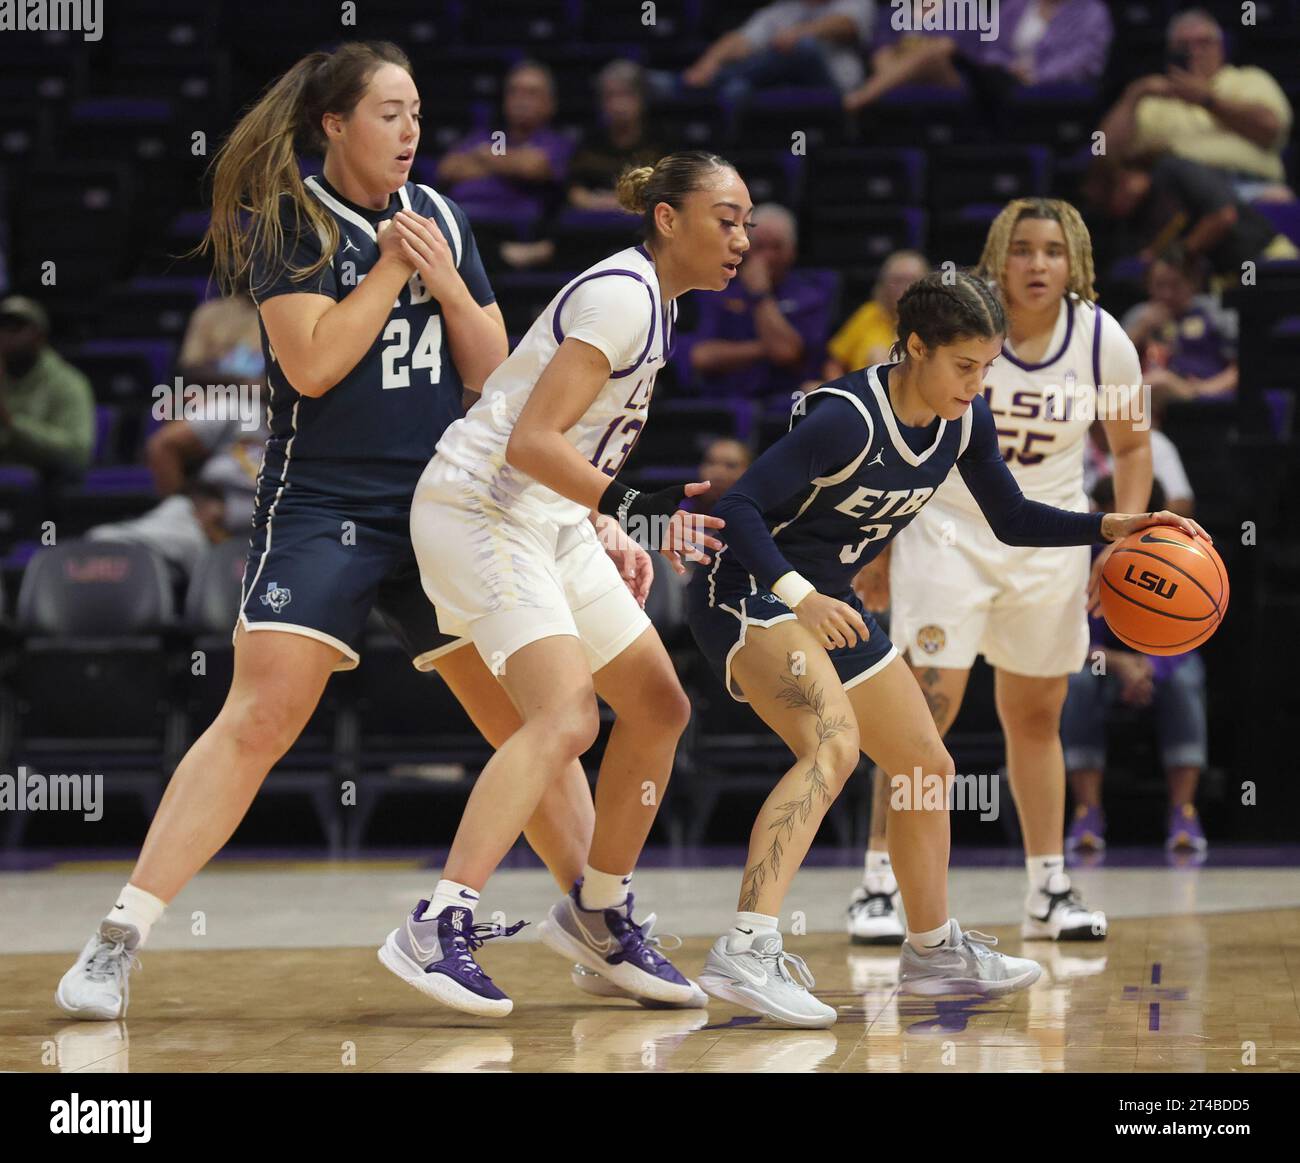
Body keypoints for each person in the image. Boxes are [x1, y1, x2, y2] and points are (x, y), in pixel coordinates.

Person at [54, 42, 599, 1021]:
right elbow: (311, 366)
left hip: (443, 506)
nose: (409, 132)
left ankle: (601, 916)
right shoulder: (288, 226)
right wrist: (393, 272)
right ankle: (116, 939)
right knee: (260, 718)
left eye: (418, 113)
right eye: (388, 113)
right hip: (323, 504)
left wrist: (446, 278)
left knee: (530, 722)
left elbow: (493, 370)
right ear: (334, 125)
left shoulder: (440, 215)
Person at [686, 269, 1207, 1026]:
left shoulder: (964, 420)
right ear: (915, 349)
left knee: (926, 766)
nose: (977, 382)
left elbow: (1014, 516)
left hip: (824, 604)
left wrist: (1109, 527)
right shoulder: (846, 419)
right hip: (748, 593)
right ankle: (745, 948)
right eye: (964, 366)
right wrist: (804, 594)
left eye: (988, 366)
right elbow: (737, 507)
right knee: (832, 746)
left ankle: (931, 950)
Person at [386, 151, 742, 1017]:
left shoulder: (654, 304)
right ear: (667, 219)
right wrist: (629, 502)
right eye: (724, 218)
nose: (741, 236)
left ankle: (599, 911)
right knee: (567, 717)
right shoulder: (622, 298)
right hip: (482, 508)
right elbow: (530, 440)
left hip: (548, 515)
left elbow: (568, 447)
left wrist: (602, 520)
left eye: (745, 222)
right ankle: (439, 921)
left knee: (659, 704)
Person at [853, 200, 1153, 946]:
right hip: (947, 532)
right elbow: (896, 433)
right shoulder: (961, 321)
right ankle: (878, 882)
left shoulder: (1102, 340)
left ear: (1073, 260)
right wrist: (882, 545)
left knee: (1035, 716)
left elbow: (1134, 447)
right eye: (1023, 249)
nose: (1038, 264)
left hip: (1049, 540)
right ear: (998, 256)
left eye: (1053, 250)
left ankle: (1048, 885)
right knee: (923, 713)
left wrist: (1122, 540)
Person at [1061, 478, 1210, 855]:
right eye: (1109, 514)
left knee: (1186, 680)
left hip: (1155, 667)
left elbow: (1191, 635)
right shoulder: (1080, 556)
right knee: (1077, 683)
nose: (1115, 524)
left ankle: (1184, 812)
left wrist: (1148, 669)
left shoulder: (1180, 557)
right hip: (1100, 665)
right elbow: (1070, 637)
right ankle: (1087, 811)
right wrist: (1118, 663)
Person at [1096, 7, 1293, 201]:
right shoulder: (1153, 98)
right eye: (1184, 45)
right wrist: (1134, 94)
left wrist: (1207, 100)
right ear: (1170, 51)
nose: (1194, 52)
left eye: (1204, 43)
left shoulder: (1249, 79)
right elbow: (1103, 153)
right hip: (1177, 201)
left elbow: (1270, 128)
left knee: (1279, 199)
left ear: (1220, 47)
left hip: (1250, 189)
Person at [683, 203, 833, 407]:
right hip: (726, 400)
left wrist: (760, 295)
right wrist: (766, 347)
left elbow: (788, 354)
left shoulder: (810, 295)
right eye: (760, 247)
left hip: (786, 401)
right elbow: (701, 356)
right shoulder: (718, 289)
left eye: (777, 247)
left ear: (792, 252)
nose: (767, 257)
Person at [1085, 155, 1298, 279]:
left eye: (1109, 203)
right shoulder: (1132, 221)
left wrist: (1177, 255)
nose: (1113, 212)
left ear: (1123, 181)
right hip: (1220, 284)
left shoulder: (1173, 171)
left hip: (1265, 259)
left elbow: (1224, 216)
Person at [437, 59, 574, 222]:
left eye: (531, 93)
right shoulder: (495, 136)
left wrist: (483, 157)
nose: (520, 100)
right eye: (514, 91)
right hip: (463, 219)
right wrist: (509, 164)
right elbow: (447, 169)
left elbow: (533, 167)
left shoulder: (555, 141)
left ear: (550, 103)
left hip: (512, 228)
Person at [683, 0, 876, 104]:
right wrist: (707, 63)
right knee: (738, 88)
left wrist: (800, 33)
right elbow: (739, 40)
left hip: (834, 89)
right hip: (780, 82)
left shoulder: (854, 3)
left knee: (803, 48)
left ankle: (690, 84)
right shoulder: (783, 9)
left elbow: (847, 25)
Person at [1121, 251, 1238, 405]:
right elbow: (1111, 365)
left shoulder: (1215, 312)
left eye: (1175, 285)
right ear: (1148, 285)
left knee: (1159, 382)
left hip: (1206, 397)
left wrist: (1206, 389)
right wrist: (1142, 328)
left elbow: (1240, 367)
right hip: (1152, 400)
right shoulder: (1139, 316)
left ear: (1192, 282)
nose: (1167, 294)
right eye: (1159, 285)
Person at [0, 295, 94, 480]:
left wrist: (11, 423)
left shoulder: (67, 383)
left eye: (16, 328)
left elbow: (77, 453)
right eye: (2, 327)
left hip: (46, 489)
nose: (6, 335)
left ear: (39, 335)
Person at [567, 60, 663, 213]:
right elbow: (574, 190)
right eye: (610, 96)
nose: (618, 104)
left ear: (642, 99)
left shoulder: (662, 141)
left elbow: (670, 192)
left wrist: (620, 202)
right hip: (595, 222)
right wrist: (594, 202)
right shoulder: (588, 143)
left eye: (625, 95)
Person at [822, 249, 929, 380]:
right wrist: (840, 392)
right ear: (883, 284)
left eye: (911, 280)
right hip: (858, 394)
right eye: (897, 280)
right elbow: (834, 363)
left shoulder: (934, 323)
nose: (904, 287)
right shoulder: (868, 313)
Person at [975, 0, 1112, 86]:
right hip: (1007, 84)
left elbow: (1086, 59)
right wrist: (1009, 67)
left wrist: (1038, 75)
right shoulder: (1015, 4)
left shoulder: (1092, 10)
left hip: (1062, 92)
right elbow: (989, 47)